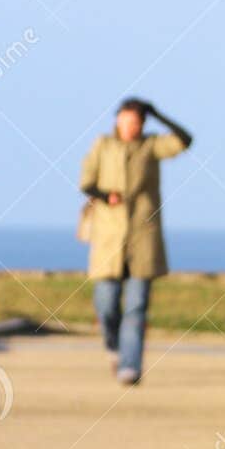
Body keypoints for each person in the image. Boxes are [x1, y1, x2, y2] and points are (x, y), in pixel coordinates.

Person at [79, 98, 192, 384]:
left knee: (136, 307)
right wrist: (106, 196)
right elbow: (86, 182)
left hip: (143, 240)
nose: (132, 127)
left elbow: (184, 140)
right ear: (117, 120)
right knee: (106, 304)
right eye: (127, 121)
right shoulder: (102, 145)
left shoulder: (152, 146)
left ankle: (130, 366)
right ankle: (114, 347)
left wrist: (159, 114)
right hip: (108, 238)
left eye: (138, 122)